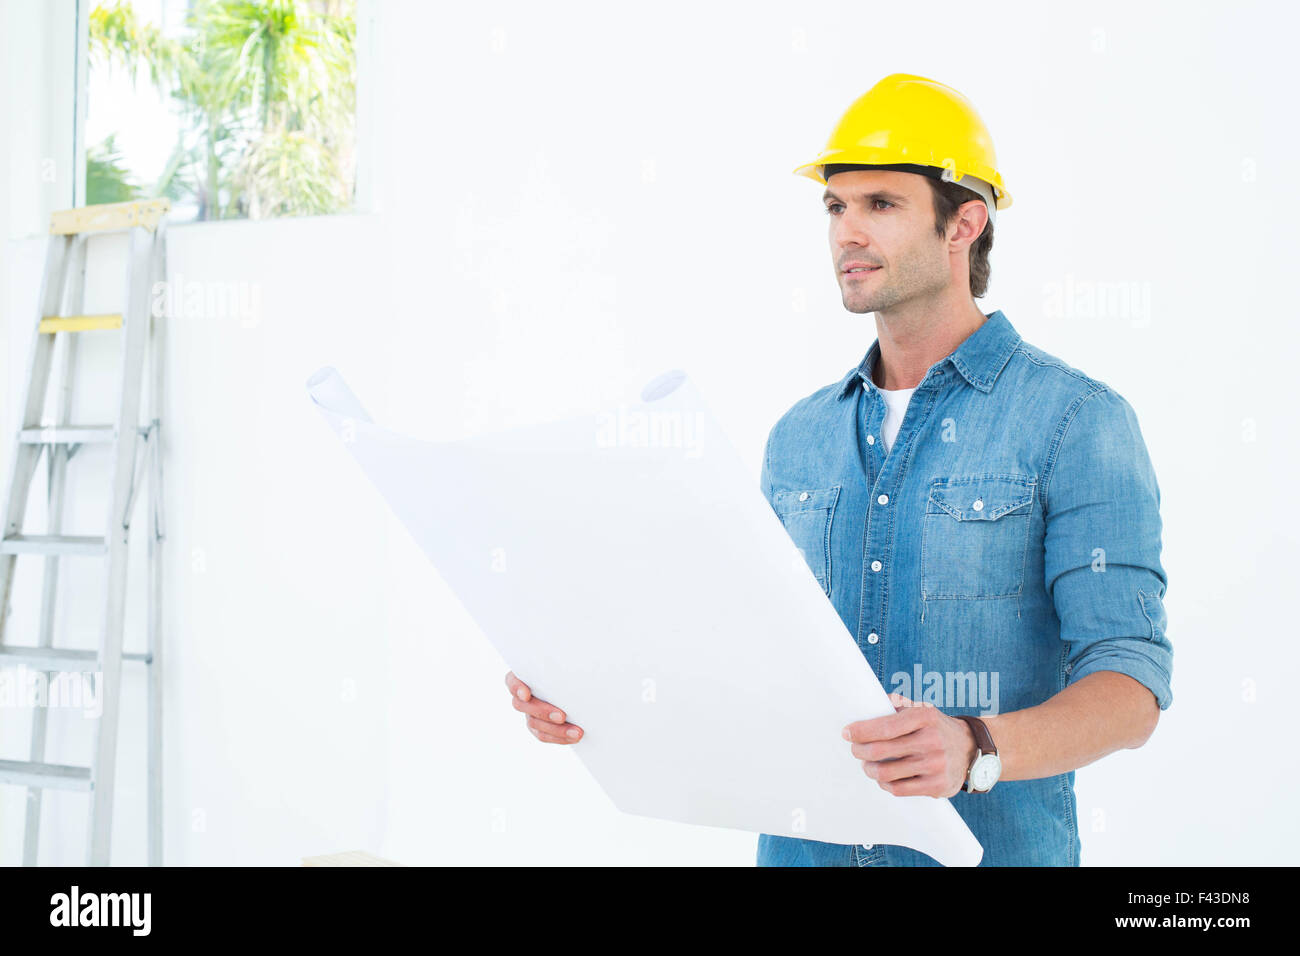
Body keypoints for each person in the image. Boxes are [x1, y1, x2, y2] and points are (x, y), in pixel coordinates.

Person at [505, 73, 1173, 866]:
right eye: (835, 207)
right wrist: (592, 694)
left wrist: (976, 747)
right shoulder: (800, 437)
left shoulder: (1075, 422)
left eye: (880, 205)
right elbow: (743, 654)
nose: (846, 232)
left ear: (965, 223)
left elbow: (1131, 684)